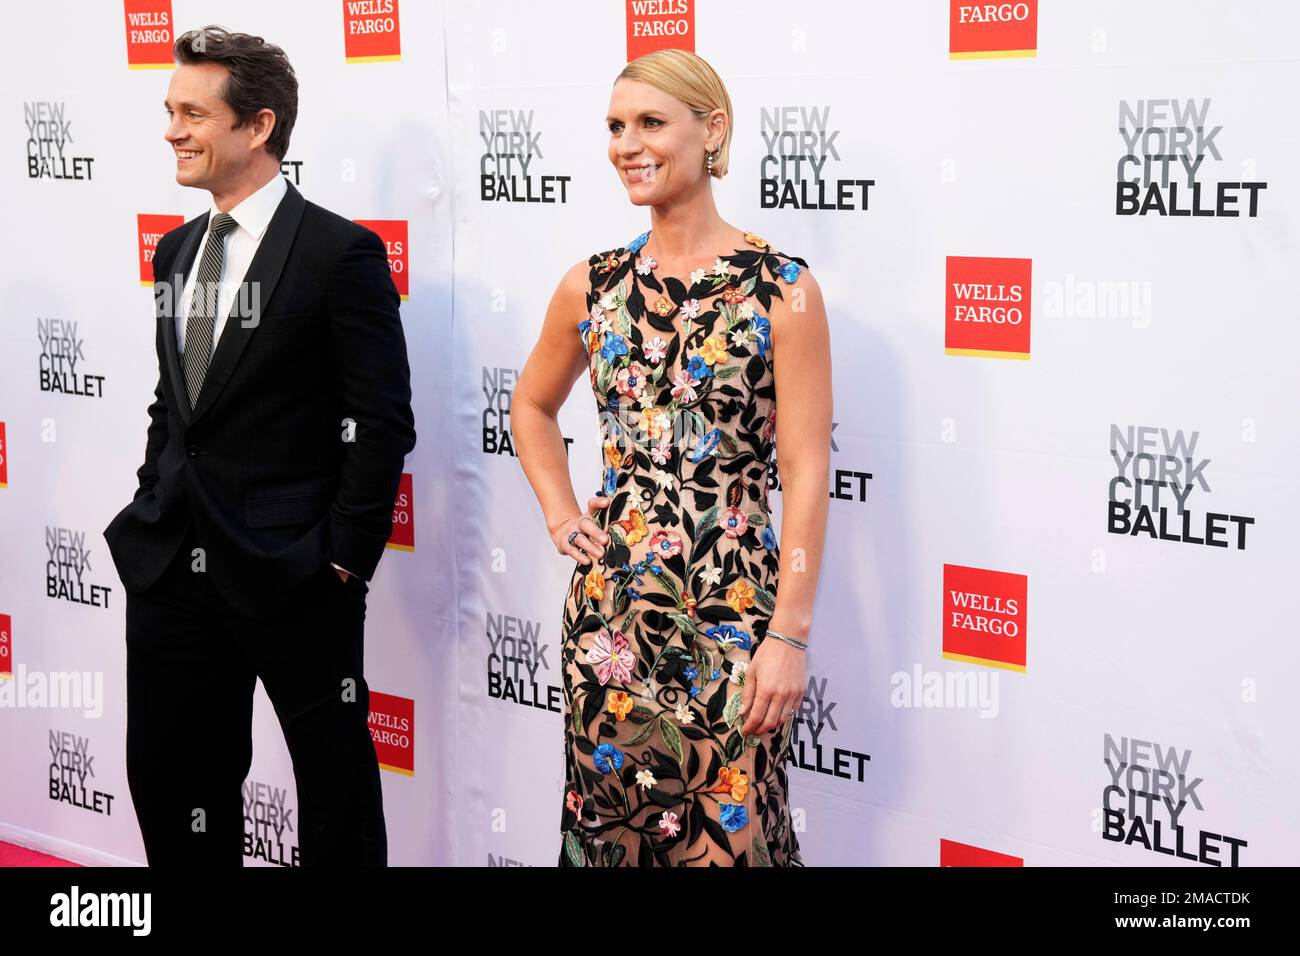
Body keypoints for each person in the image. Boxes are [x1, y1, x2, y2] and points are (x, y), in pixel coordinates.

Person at [103, 26, 415, 866]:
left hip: (295, 571)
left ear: (259, 125)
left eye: (194, 113)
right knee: (173, 787)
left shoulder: (339, 254)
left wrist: (344, 558)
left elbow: (381, 422)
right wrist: (152, 498)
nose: (172, 129)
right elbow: (176, 405)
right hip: (171, 566)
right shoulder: (175, 250)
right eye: (170, 110)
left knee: (335, 792)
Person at [514, 49, 832, 866]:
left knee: (731, 839)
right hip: (609, 623)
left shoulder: (782, 289)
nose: (628, 144)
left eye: (651, 122)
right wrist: (560, 511)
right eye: (616, 127)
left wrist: (787, 634)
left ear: (712, 130)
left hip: (735, 624)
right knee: (609, 832)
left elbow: (803, 467)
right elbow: (531, 405)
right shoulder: (593, 285)